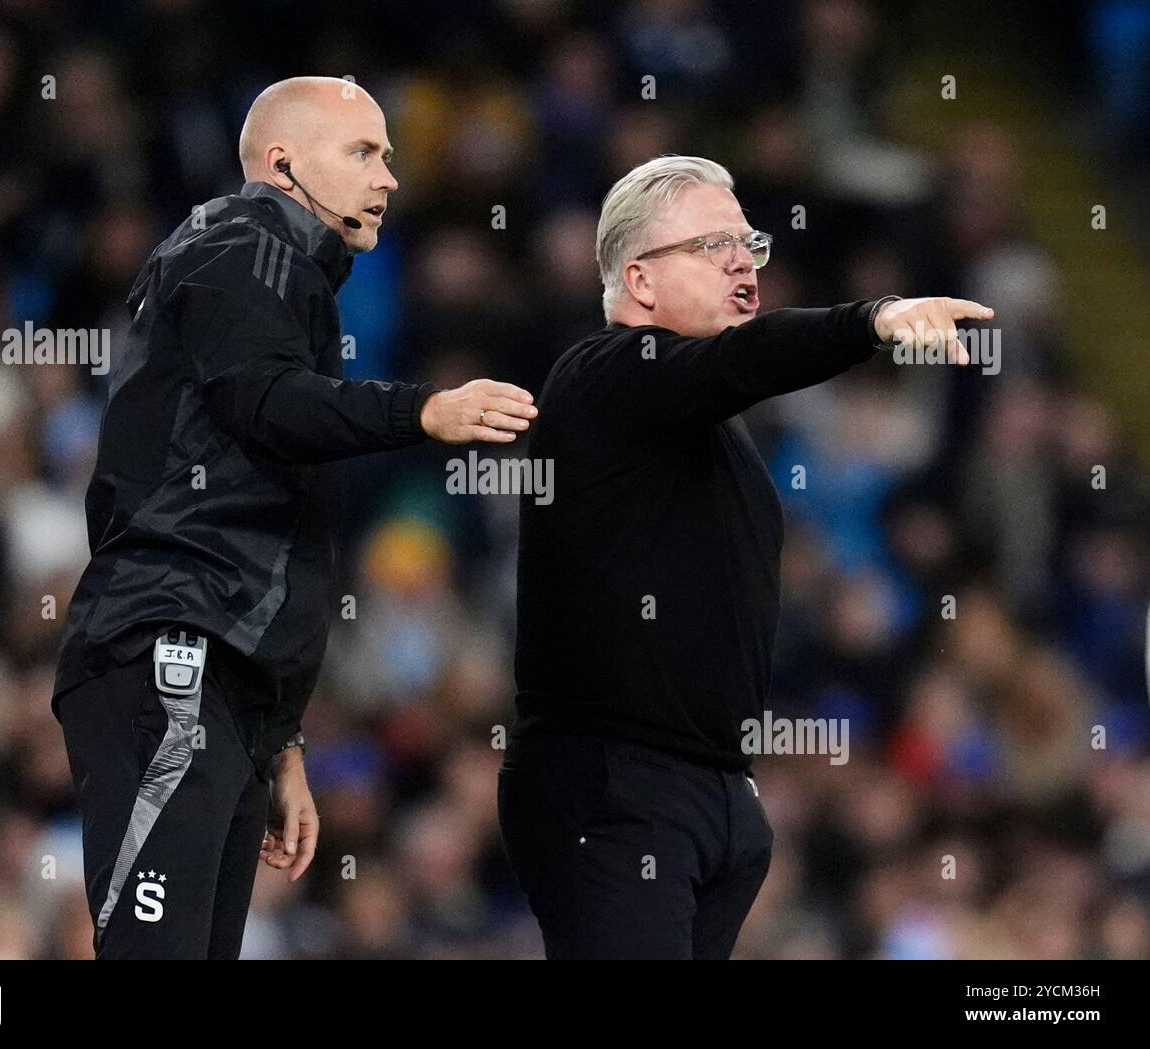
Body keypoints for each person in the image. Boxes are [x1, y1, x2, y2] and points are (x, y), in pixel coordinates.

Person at [52, 76, 538, 959]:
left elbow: (267, 516)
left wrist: (280, 743)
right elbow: (266, 404)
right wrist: (421, 410)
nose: (389, 175)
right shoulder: (243, 240)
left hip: (218, 676)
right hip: (171, 645)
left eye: (388, 155)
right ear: (283, 162)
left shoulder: (287, 276)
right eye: (363, 152)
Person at [499, 154, 992, 959]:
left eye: (748, 242)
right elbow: (747, 359)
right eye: (711, 244)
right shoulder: (599, 375)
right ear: (640, 280)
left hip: (715, 791)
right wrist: (870, 320)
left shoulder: (720, 436)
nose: (741, 260)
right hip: (617, 786)